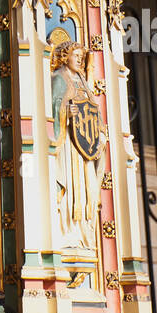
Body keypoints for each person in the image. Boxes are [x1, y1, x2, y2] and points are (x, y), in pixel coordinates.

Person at [50, 39, 107, 253]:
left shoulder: (83, 82)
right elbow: (51, 107)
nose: (80, 60)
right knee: (70, 188)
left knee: (85, 189)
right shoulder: (57, 78)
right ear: (65, 57)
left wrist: (101, 133)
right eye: (76, 56)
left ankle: (83, 234)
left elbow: (93, 111)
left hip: (83, 151)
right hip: (66, 146)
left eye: (82, 57)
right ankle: (67, 233)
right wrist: (64, 112)